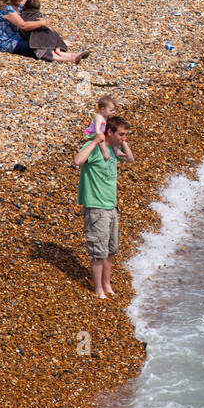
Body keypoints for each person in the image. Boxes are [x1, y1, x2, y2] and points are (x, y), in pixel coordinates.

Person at [74, 116, 133, 299]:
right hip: (96, 207)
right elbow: (77, 160)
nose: (123, 138)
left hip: (111, 207)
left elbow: (130, 159)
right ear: (109, 132)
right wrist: (95, 141)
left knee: (110, 250)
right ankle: (98, 288)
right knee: (98, 253)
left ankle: (107, 284)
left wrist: (123, 143)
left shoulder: (113, 149)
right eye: (121, 134)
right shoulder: (95, 148)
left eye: (125, 135)